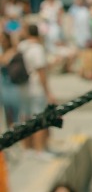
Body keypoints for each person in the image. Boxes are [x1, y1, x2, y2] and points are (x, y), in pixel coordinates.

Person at [17, 24, 54, 158]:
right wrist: (48, 92)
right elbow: (41, 73)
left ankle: (27, 148)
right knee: (39, 119)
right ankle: (40, 150)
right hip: (36, 88)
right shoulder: (37, 49)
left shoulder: (21, 47)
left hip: (22, 88)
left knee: (25, 118)